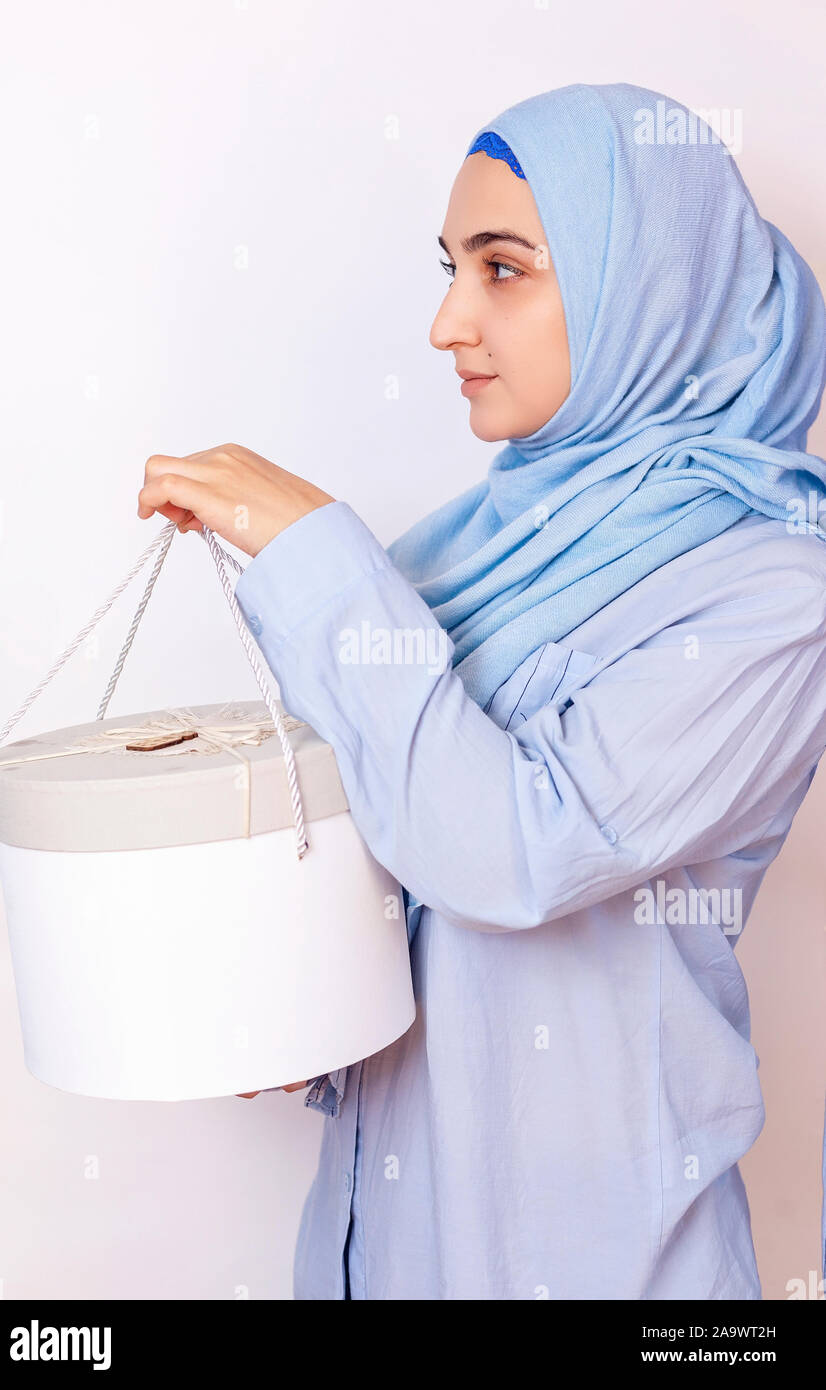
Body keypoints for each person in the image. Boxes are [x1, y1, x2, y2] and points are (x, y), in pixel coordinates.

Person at [137, 82, 826, 1300]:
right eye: (449, 266)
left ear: (644, 290)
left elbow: (515, 847)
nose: (448, 321)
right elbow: (412, 880)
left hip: (607, 1264)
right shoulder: (468, 555)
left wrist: (311, 548)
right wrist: (298, 1012)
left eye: (502, 269)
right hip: (382, 1245)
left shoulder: (772, 589)